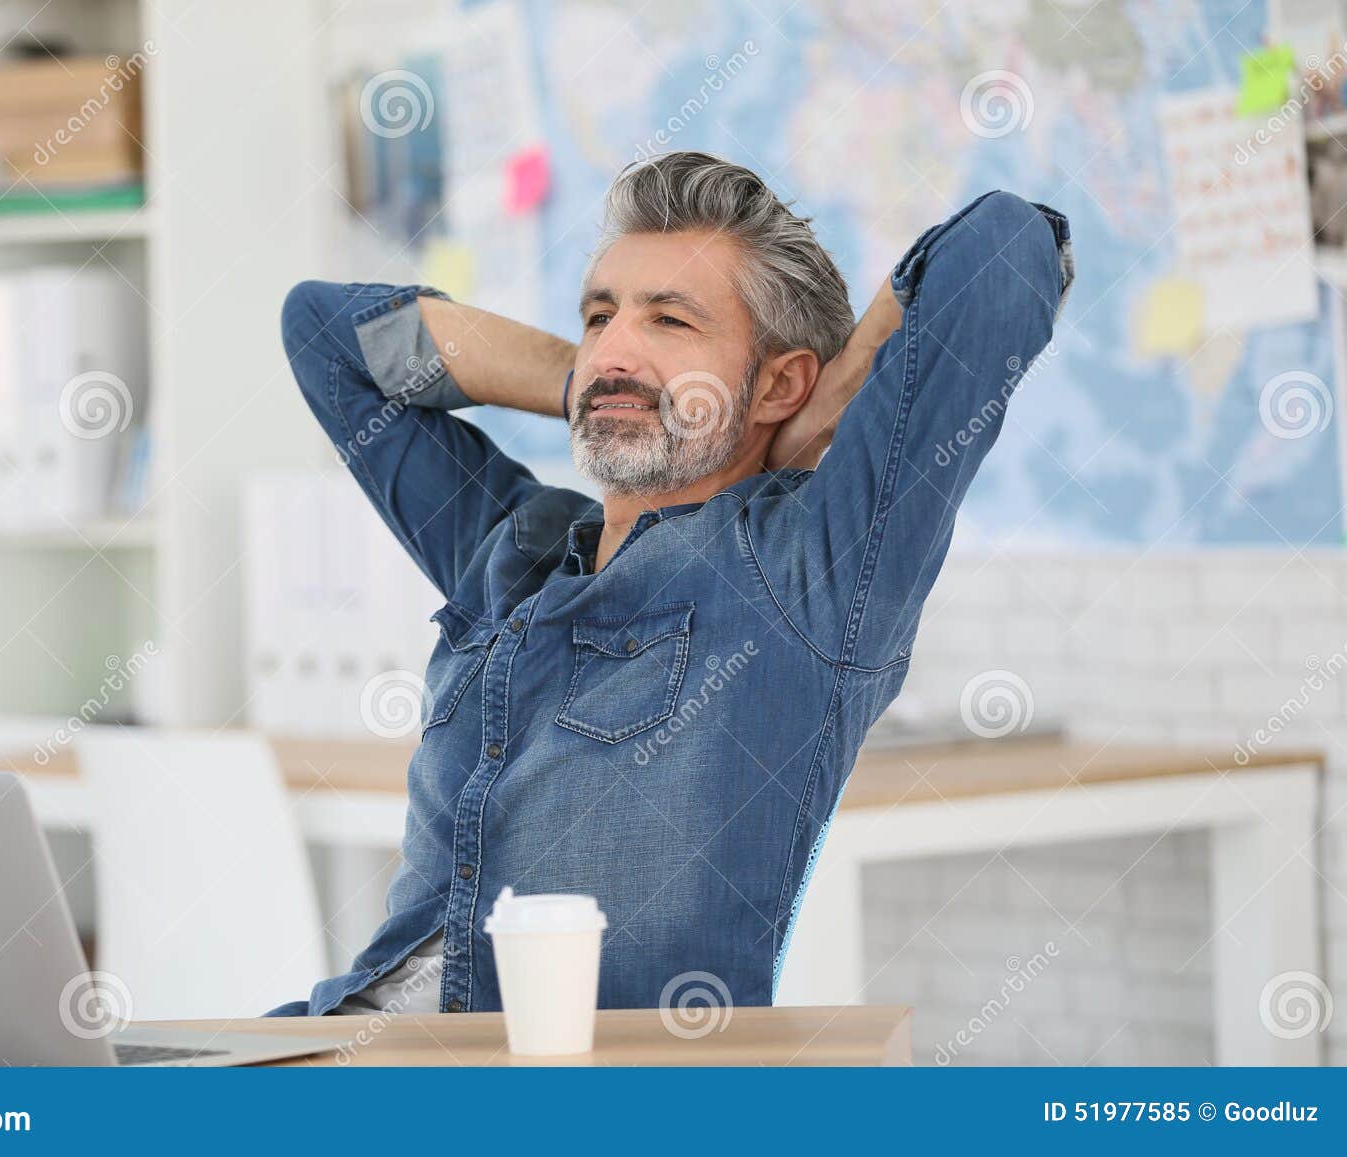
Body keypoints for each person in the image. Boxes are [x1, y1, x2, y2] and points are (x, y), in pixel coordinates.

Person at [267, 151, 1072, 1017]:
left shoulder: (809, 575)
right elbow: (326, 338)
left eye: (669, 322)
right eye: (599, 315)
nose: (615, 345)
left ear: (780, 382)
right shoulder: (511, 546)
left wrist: (837, 388)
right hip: (351, 1050)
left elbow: (1005, 254)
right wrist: (590, 384)